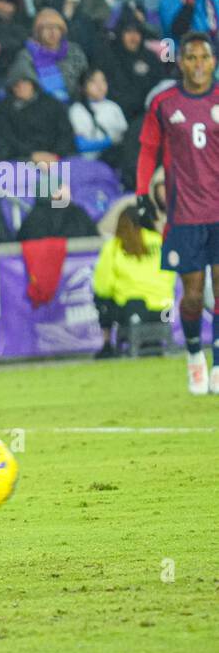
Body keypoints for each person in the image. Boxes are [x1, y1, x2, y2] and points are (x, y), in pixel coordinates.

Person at [136, 32, 219, 393]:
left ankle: (217, 360)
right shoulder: (165, 103)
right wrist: (142, 195)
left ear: (214, 61)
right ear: (181, 62)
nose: (198, 65)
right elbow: (147, 150)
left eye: (205, 57)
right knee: (194, 295)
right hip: (184, 214)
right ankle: (193, 353)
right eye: (191, 58)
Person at [92, 205, 177, 359]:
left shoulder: (114, 246)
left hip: (133, 310)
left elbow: (103, 285)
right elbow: (171, 275)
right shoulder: (160, 241)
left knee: (101, 298)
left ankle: (106, 344)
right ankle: (153, 342)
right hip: (165, 310)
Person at [0, 56, 75, 162]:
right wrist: (31, 155)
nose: (20, 87)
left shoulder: (52, 104)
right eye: (16, 84)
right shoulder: (3, 107)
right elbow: (6, 138)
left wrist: (56, 155)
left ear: (33, 83)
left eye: (24, 82)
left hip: (56, 157)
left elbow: (66, 133)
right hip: (21, 157)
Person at [69, 67, 128, 163]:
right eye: (93, 82)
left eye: (103, 81)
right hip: (91, 161)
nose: (100, 86)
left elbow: (124, 134)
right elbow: (80, 145)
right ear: (82, 87)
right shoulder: (77, 110)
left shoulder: (113, 106)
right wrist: (110, 141)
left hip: (117, 156)